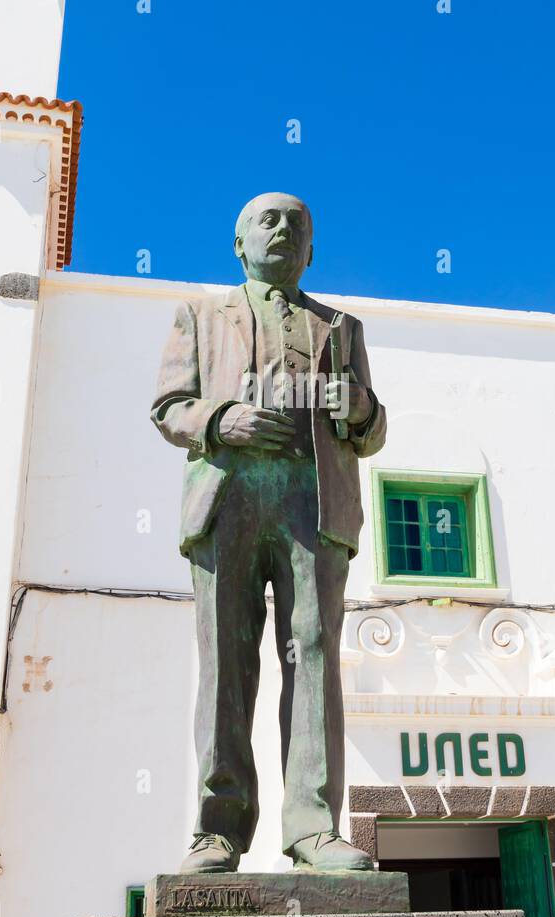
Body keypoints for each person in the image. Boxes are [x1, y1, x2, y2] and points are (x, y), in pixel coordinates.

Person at [151, 192, 386, 872]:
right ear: (239, 242)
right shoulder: (198, 316)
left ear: (310, 252)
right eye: (268, 219)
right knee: (228, 659)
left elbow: (370, 434)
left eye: (298, 225)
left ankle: (314, 827)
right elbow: (169, 407)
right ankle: (218, 828)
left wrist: (363, 408)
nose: (283, 229)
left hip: (314, 506)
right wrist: (224, 421)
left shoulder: (342, 327)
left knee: (311, 656)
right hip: (228, 502)